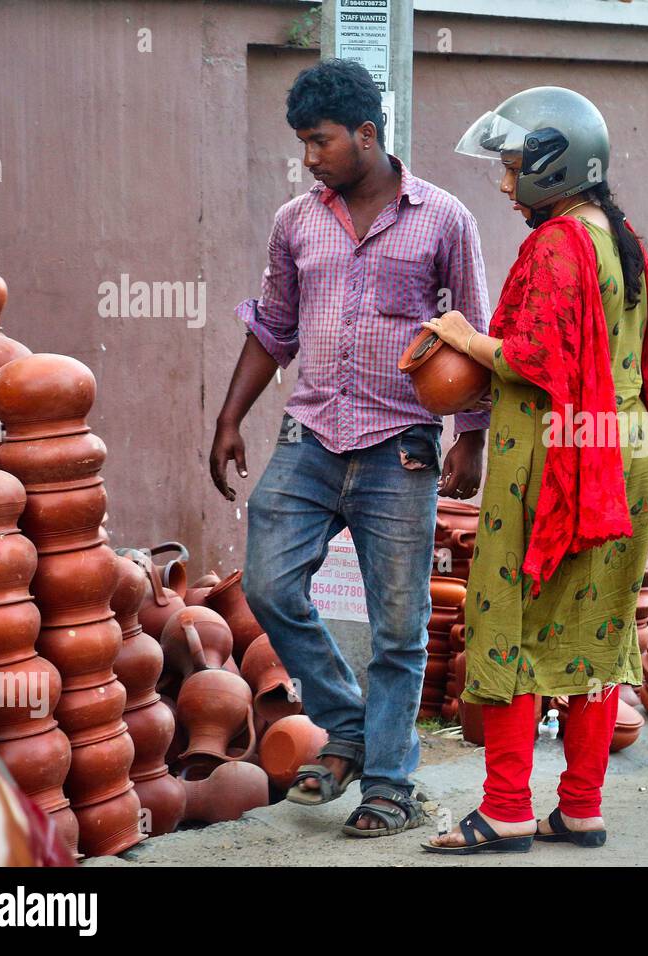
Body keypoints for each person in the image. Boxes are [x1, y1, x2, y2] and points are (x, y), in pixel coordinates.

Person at [418, 87, 648, 853]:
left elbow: (536, 358)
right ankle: (580, 806)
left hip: (554, 456)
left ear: (554, 165)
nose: (507, 184)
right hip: (623, 451)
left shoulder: (555, 245)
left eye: (514, 167)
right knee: (596, 621)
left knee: (506, 619)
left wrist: (460, 336)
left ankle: (507, 806)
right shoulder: (621, 235)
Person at [208, 59, 491, 837]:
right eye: (303, 142)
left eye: (320, 141)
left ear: (367, 134)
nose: (310, 157)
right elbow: (273, 326)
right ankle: (350, 721)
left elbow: (471, 333)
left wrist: (470, 437)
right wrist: (231, 417)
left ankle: (390, 788)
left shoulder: (445, 218)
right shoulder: (296, 221)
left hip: (401, 445)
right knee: (268, 583)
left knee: (399, 628)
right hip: (312, 435)